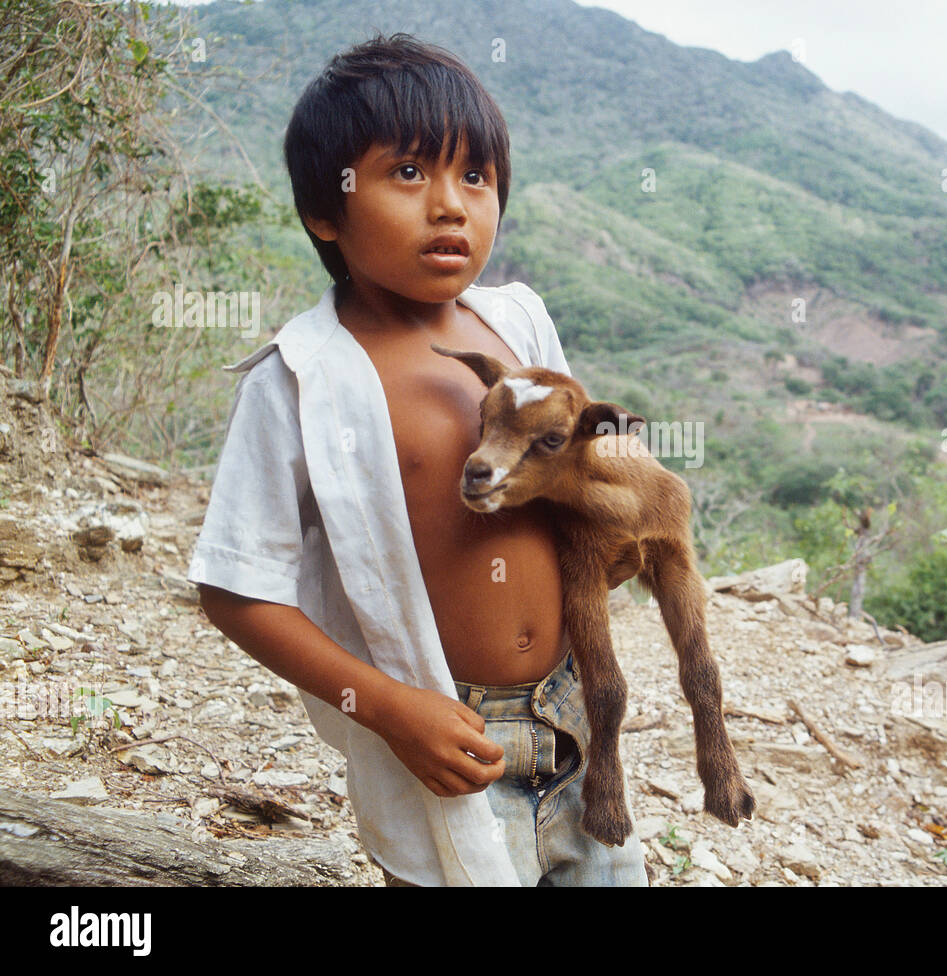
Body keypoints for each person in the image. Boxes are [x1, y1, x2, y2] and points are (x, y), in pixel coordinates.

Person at [188, 33, 648, 887]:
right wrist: (391, 710)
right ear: (327, 211)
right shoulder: (300, 378)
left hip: (578, 709)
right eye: (408, 175)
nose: (451, 206)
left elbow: (576, 453)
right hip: (443, 735)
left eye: (474, 177)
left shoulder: (519, 324)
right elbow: (235, 587)